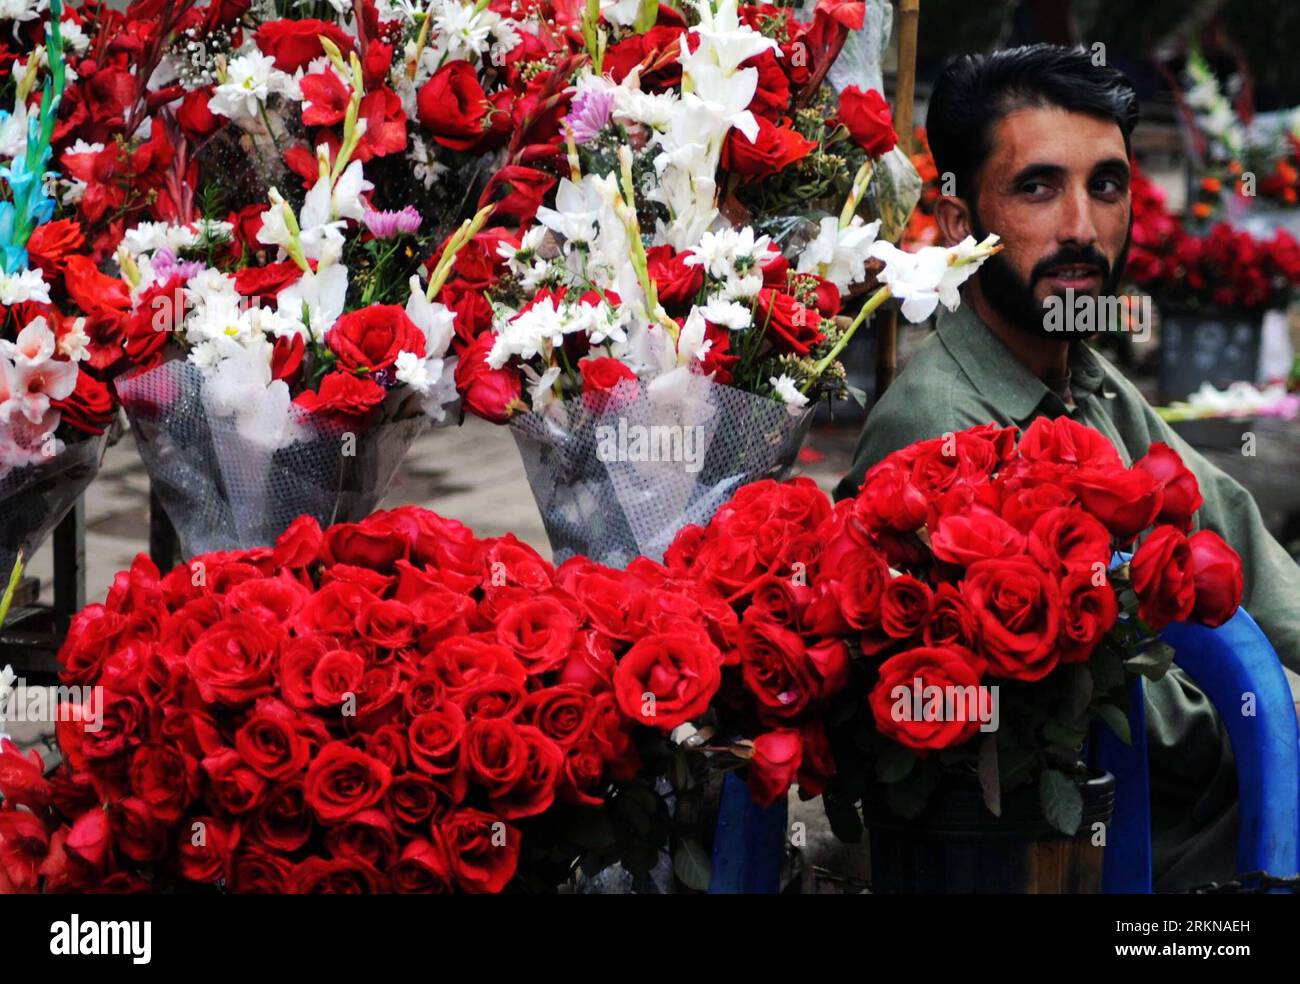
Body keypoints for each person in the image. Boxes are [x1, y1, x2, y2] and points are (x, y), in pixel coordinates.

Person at [835, 44, 1300, 891]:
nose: (1082, 227)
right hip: (1124, 856)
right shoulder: (938, 432)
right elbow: (1146, 722)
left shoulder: (1082, 372)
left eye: (1108, 186)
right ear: (952, 217)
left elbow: (1244, 550)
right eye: (1038, 188)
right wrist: (1278, 707)